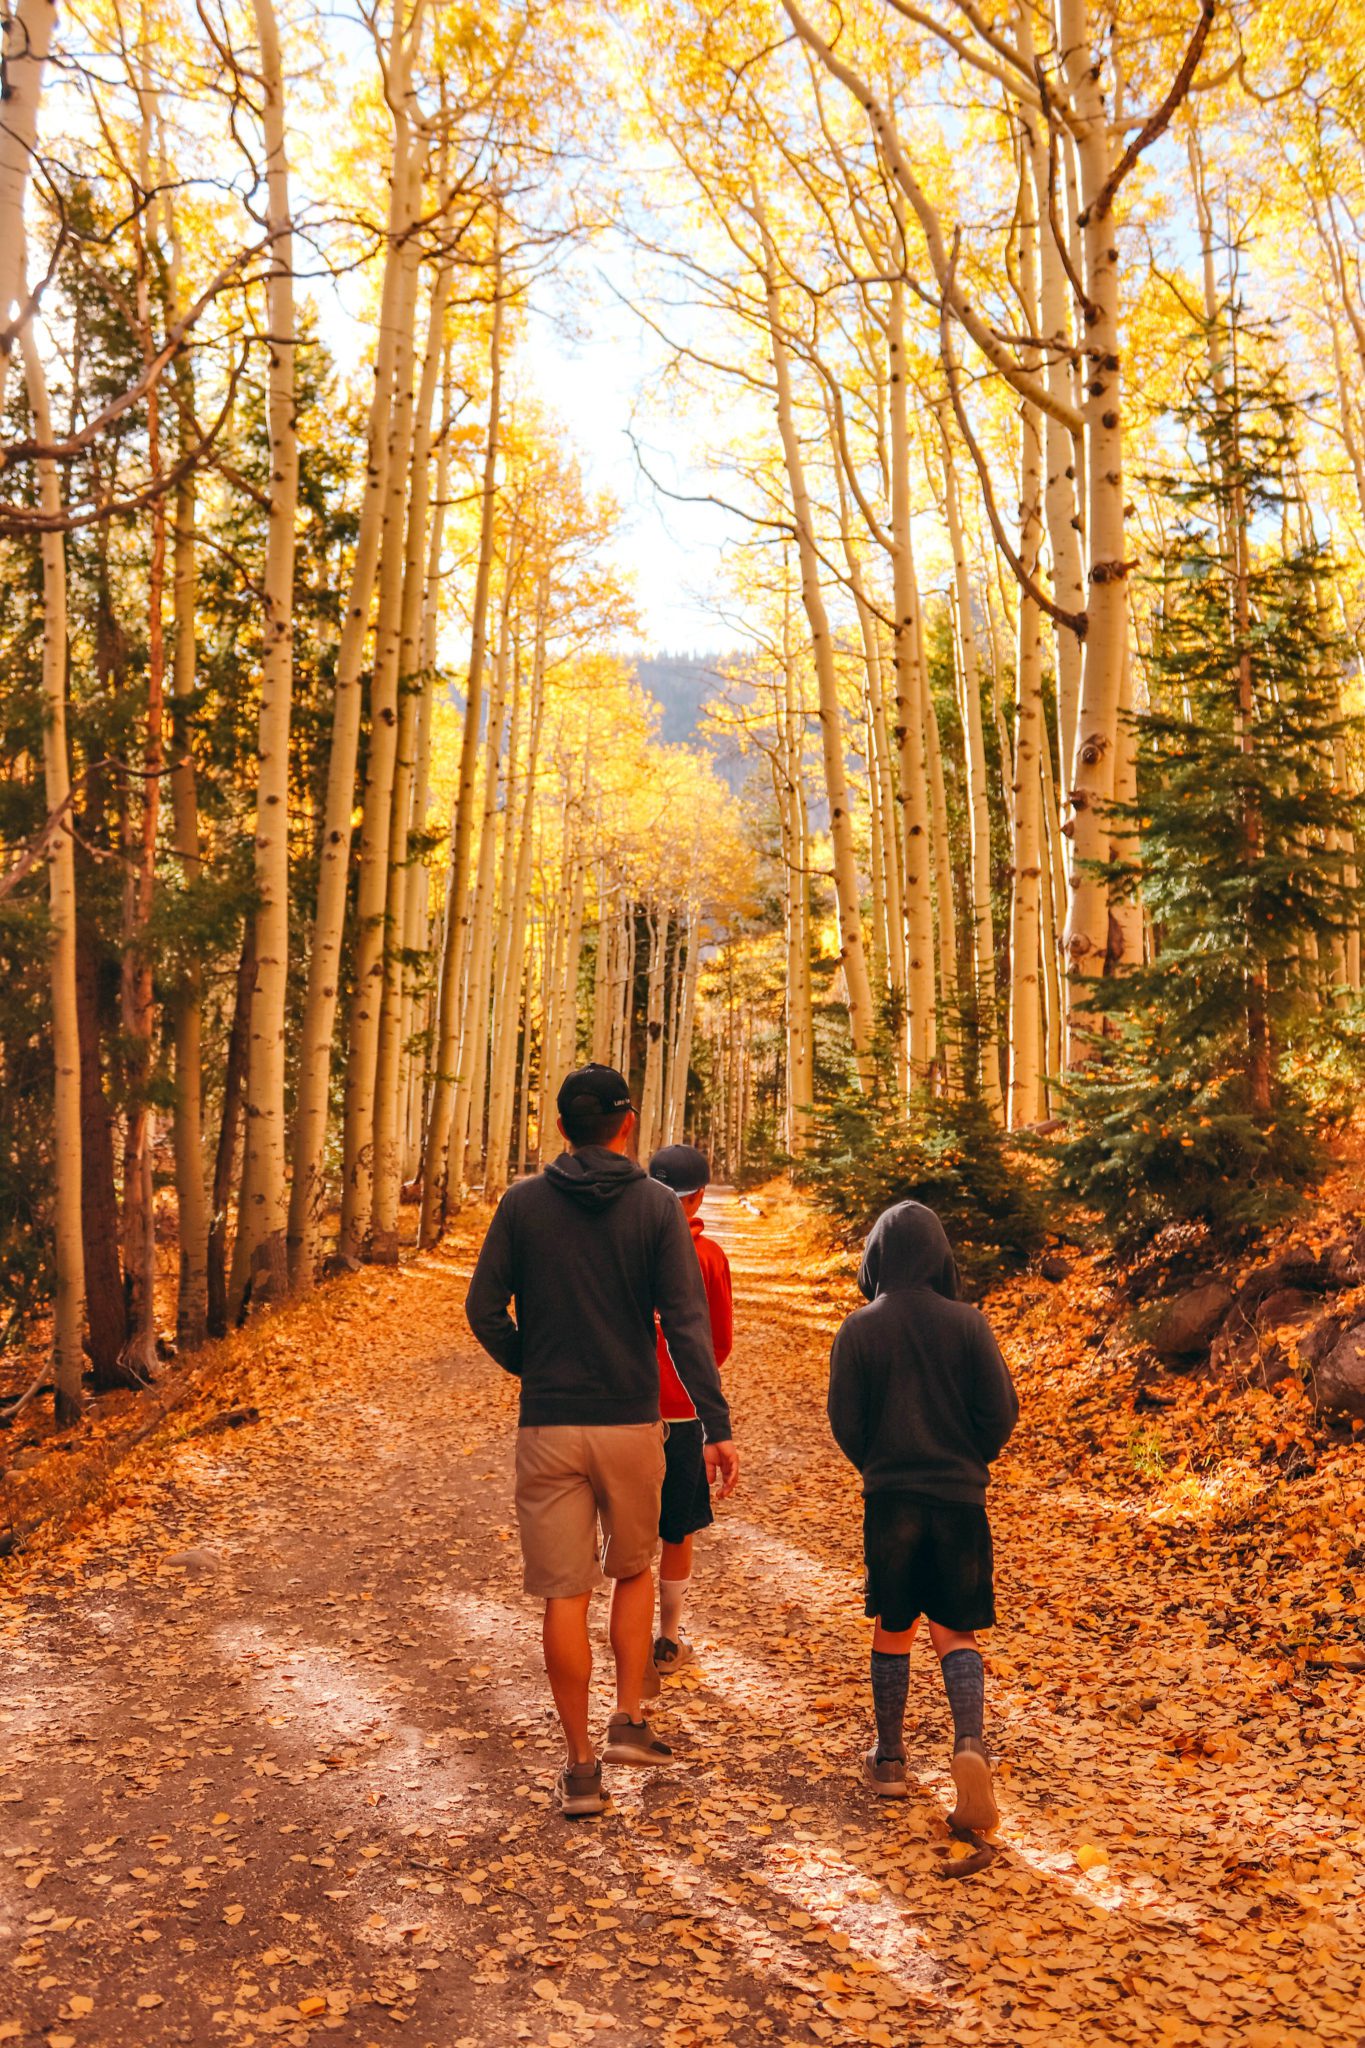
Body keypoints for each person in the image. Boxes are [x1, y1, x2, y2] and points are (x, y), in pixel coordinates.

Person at [465, 1064, 740, 1819]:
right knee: (633, 1570)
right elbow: (686, 1327)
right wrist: (713, 1426)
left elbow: (483, 1309)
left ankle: (580, 1768)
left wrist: (532, 1363)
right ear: (627, 1124)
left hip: (548, 1425)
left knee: (563, 1594)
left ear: (561, 1128)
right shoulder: (655, 1207)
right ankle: (628, 1717)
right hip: (630, 1423)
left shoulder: (522, 1204)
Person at [827, 1201, 1018, 1834]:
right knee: (956, 1629)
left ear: (877, 1256)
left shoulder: (859, 1329)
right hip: (960, 1499)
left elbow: (845, 1420)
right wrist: (970, 1456)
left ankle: (888, 1760)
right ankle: (970, 1744)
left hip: (892, 1500)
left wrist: (878, 1463)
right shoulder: (969, 1324)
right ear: (940, 1256)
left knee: (894, 1624)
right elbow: (1000, 1412)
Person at [646, 1144, 733, 1679]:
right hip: (684, 1411)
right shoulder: (709, 1257)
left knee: (631, 1530)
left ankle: (627, 1634)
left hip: (628, 1411)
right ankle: (668, 1639)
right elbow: (718, 1342)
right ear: (699, 1196)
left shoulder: (629, 1248)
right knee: (677, 1530)